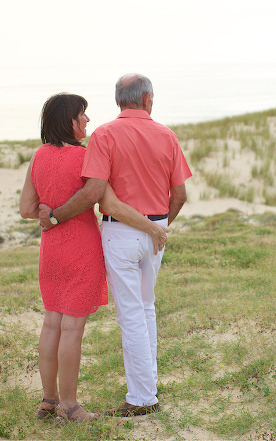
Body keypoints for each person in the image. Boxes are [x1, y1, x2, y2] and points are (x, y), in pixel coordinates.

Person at [38, 74, 191, 417]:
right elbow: (180, 195)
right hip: (156, 230)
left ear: (120, 99)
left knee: (132, 314)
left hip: (119, 231)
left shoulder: (104, 134)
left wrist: (56, 216)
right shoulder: (167, 135)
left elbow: (95, 192)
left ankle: (143, 397)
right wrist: (160, 227)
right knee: (146, 307)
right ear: (147, 98)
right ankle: (147, 386)